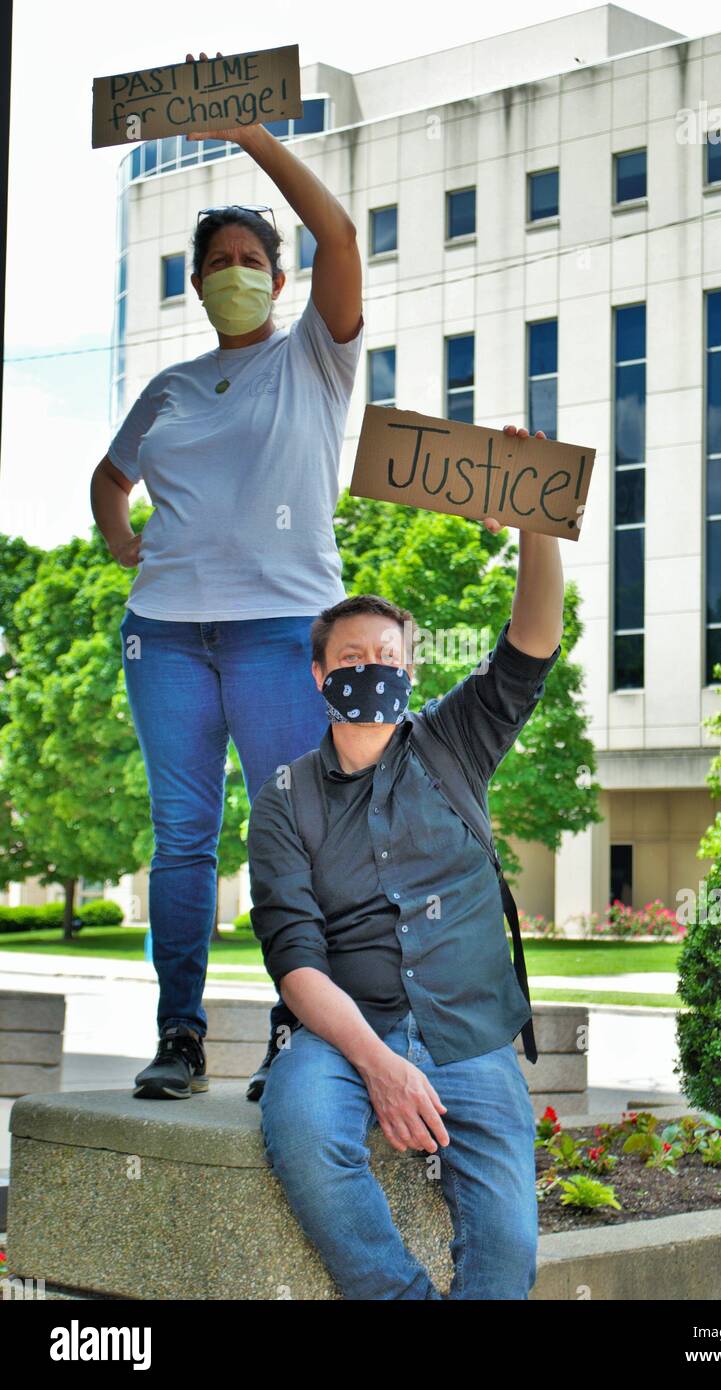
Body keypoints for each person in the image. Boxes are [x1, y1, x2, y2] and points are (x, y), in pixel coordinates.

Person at [90, 50, 363, 1101]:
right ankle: (181, 1036)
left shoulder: (314, 358)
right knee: (183, 841)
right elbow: (108, 479)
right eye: (220, 259)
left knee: (292, 831)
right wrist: (121, 535)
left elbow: (338, 234)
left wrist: (245, 131)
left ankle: (302, 1036)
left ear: (279, 279)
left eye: (255, 256)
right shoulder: (168, 387)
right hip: (164, 636)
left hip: (278, 633)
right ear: (198, 281)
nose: (237, 269)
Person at [247, 446, 563, 1299]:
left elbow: (532, 641)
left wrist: (536, 517)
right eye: (350, 660)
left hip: (471, 1038)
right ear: (319, 677)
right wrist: (381, 1066)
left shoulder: (457, 739)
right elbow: (296, 961)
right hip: (347, 1038)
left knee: (506, 1251)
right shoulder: (282, 802)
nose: (369, 672)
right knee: (301, 1123)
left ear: (409, 670)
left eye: (385, 657)